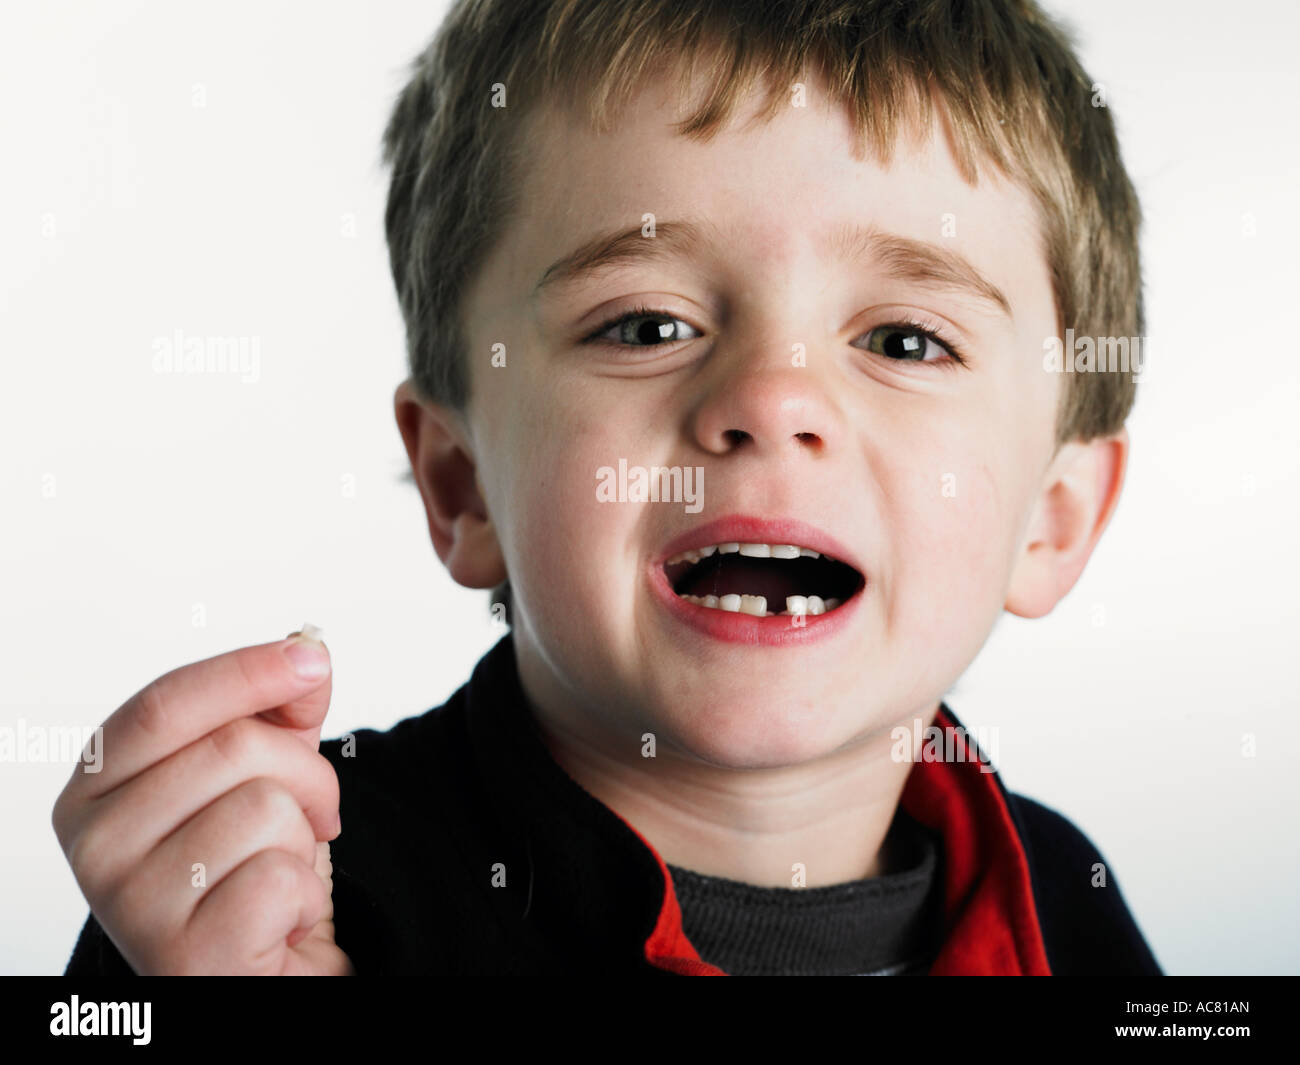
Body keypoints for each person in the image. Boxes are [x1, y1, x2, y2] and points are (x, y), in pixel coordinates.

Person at [56, 0, 1160, 975]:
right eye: (645, 326)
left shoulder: (1068, 900)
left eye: (907, 340)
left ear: (1053, 522)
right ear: (461, 485)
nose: (773, 399)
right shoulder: (269, 899)